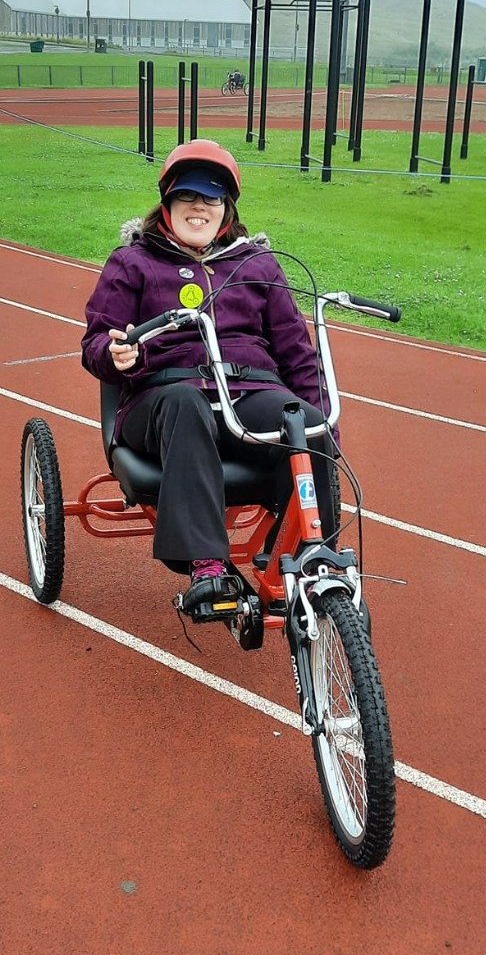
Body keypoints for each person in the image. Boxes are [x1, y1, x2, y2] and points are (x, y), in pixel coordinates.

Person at [81, 140, 336, 618]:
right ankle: (207, 567)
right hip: (163, 396)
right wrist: (116, 356)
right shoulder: (133, 263)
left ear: (226, 209)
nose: (199, 206)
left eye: (212, 198)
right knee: (185, 403)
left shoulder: (257, 264)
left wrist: (325, 430)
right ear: (168, 203)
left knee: (304, 420)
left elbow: (297, 355)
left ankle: (307, 562)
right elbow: (95, 341)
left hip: (250, 390)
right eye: (189, 196)